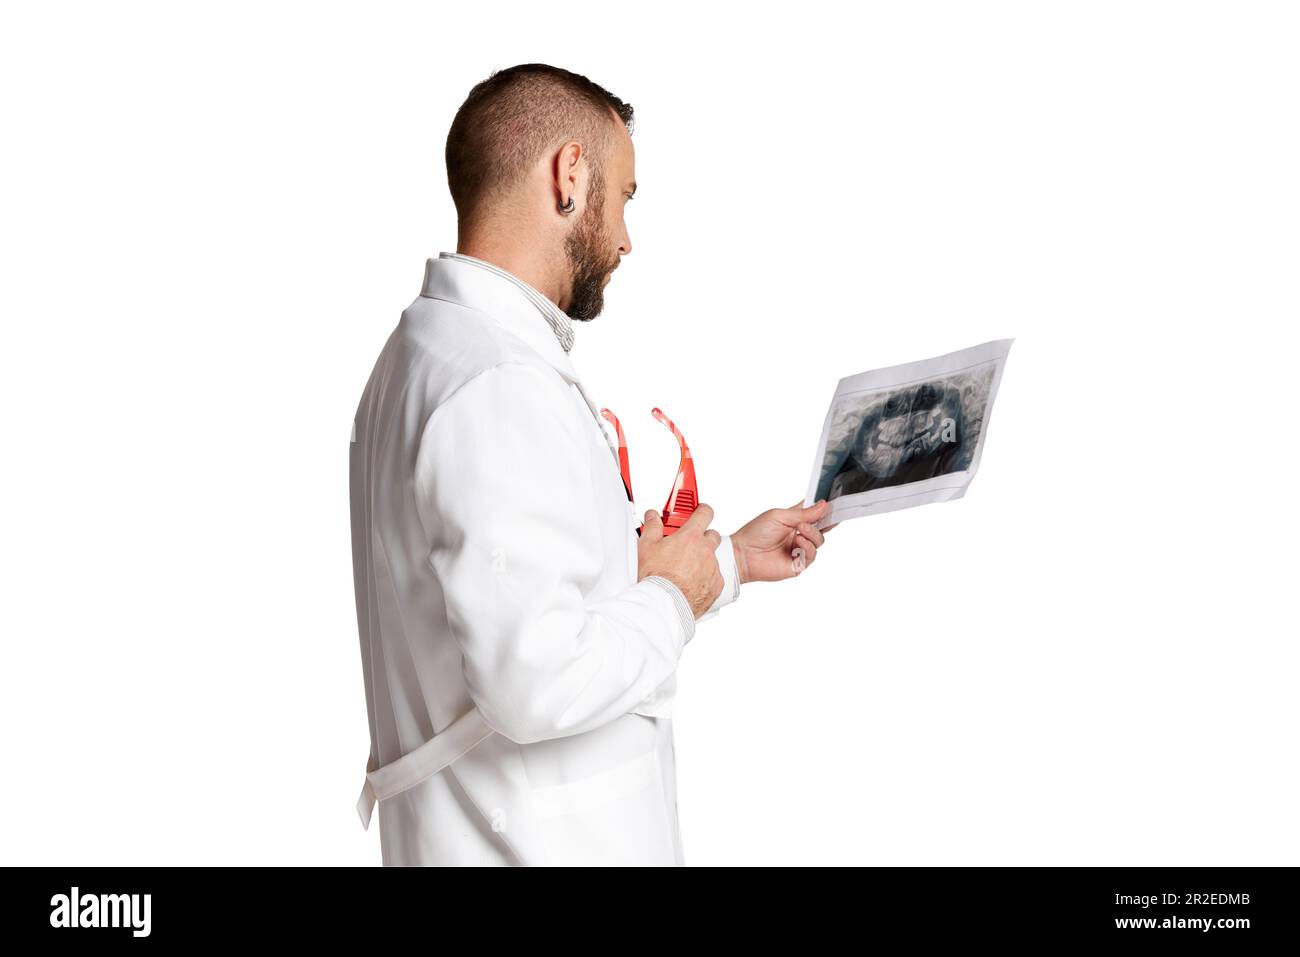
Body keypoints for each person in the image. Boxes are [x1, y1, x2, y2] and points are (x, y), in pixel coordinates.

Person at [349, 63, 834, 866]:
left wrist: (727, 561)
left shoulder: (428, 354)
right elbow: (535, 677)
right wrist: (676, 592)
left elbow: (525, 600)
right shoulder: (495, 382)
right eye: (626, 196)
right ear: (570, 174)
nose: (625, 239)